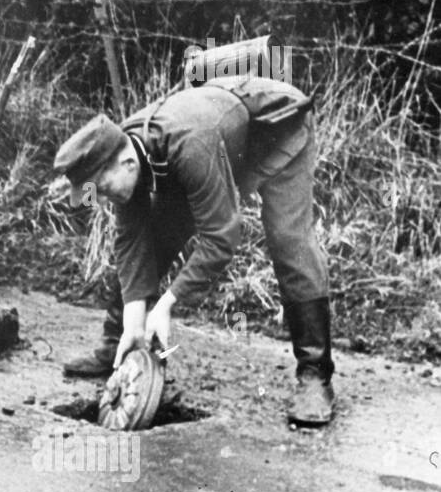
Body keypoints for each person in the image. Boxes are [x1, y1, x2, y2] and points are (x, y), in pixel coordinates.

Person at [53, 75, 337, 426]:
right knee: (156, 235)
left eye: (104, 190)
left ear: (127, 165)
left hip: (276, 130)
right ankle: (119, 344)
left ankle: (314, 374)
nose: (106, 199)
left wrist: (167, 304)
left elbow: (220, 238)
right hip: (221, 139)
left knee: (288, 239)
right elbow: (131, 241)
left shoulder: (188, 146)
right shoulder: (124, 148)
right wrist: (134, 322)